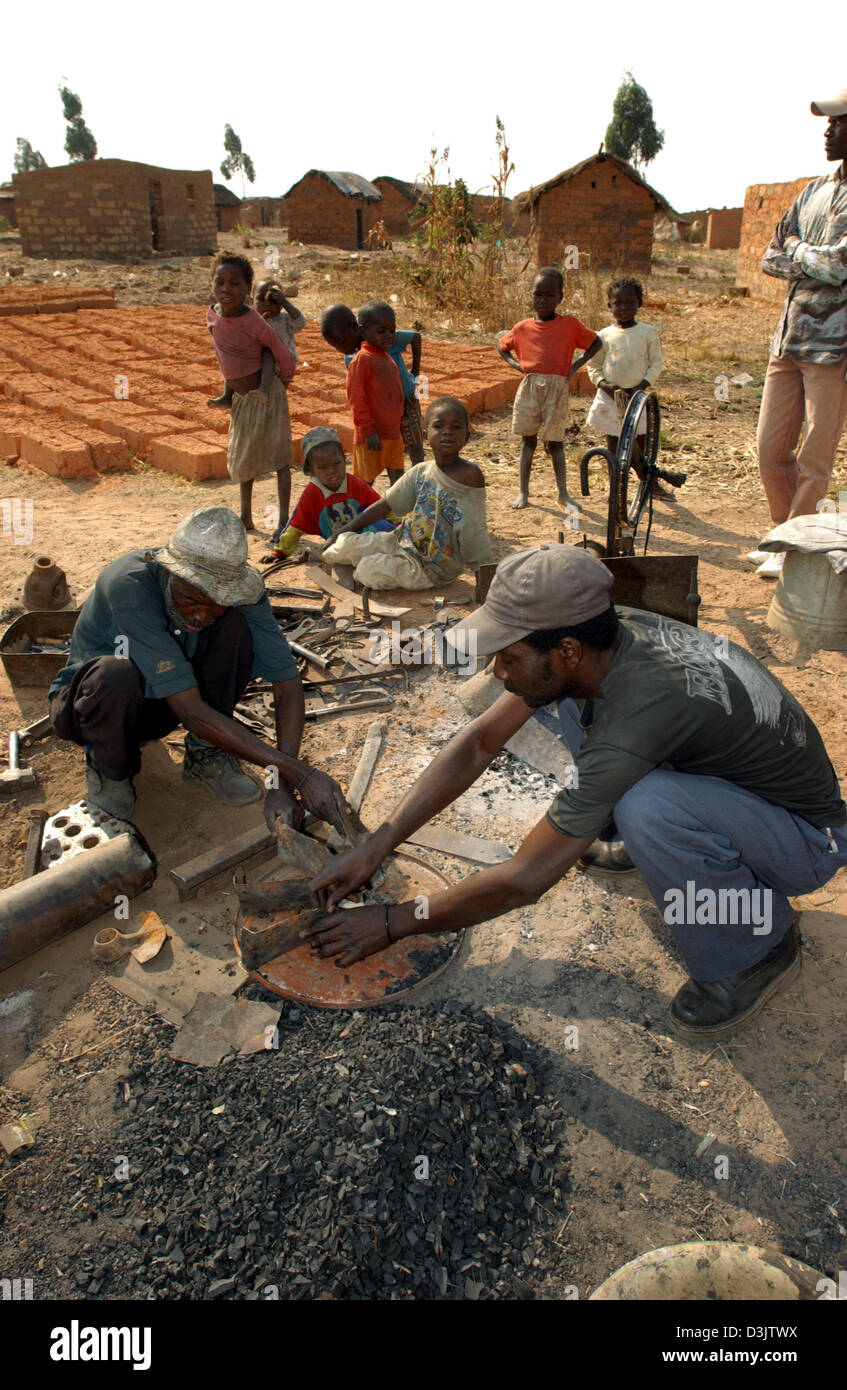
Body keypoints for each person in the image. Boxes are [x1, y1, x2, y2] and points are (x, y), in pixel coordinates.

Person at [306, 544, 847, 1042]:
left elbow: (525, 880)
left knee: (648, 805)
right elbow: (478, 744)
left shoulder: (638, 707)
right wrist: (379, 844)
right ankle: (655, 844)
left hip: (806, 839)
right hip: (739, 794)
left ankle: (755, 948)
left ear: (565, 648)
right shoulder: (603, 642)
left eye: (507, 656)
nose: (497, 669)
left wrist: (392, 921)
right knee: (565, 703)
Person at [48, 507, 351, 835]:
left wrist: (280, 783)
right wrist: (299, 774)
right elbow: (191, 712)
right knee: (116, 675)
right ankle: (110, 768)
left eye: (216, 603)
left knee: (235, 627)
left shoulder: (239, 595)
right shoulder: (129, 587)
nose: (202, 615)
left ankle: (206, 754)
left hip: (170, 700)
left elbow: (287, 683)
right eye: (191, 599)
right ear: (168, 573)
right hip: (96, 708)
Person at [752, 88, 847, 579]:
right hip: (788, 340)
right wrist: (811, 254)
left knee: (815, 455)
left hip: (834, 348)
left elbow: (840, 264)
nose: (827, 131)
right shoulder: (815, 189)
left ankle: (792, 547)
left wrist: (801, 252)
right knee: (770, 448)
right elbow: (771, 255)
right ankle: (781, 533)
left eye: (837, 123)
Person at [321, 396, 491, 591]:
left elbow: (476, 535)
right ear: (426, 435)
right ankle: (358, 562)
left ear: (467, 437)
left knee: (369, 569)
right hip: (400, 540)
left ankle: (361, 569)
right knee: (344, 545)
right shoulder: (422, 471)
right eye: (439, 426)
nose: (447, 432)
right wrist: (340, 532)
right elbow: (386, 504)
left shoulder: (470, 477)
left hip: (431, 567)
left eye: (456, 427)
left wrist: (485, 590)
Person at [498, 267, 602, 511]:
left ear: (560, 298)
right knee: (528, 440)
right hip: (530, 387)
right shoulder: (522, 327)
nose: (543, 300)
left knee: (555, 442)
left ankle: (563, 494)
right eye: (538, 294)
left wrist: (575, 366)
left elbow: (596, 342)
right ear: (531, 296)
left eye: (549, 295)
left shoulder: (570, 326)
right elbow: (502, 346)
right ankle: (523, 492)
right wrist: (518, 365)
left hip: (557, 388)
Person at [206, 255, 297, 533]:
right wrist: (229, 391)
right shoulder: (212, 315)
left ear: (247, 288)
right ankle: (245, 516)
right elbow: (225, 357)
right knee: (245, 459)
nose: (226, 289)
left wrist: (286, 378)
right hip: (242, 400)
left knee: (280, 457)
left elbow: (278, 351)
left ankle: (284, 520)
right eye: (220, 282)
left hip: (268, 398)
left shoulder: (255, 321)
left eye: (235, 283)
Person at [585, 276, 666, 495]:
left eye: (629, 302)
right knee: (614, 444)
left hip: (637, 397)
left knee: (641, 443)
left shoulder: (648, 333)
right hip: (611, 397)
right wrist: (604, 385)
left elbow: (655, 362)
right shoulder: (604, 336)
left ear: (640, 303)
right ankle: (616, 491)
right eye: (617, 303)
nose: (623, 307)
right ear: (609, 305)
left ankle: (648, 482)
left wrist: (642, 385)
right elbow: (594, 366)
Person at [321, 302, 425, 465]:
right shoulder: (351, 359)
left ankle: (418, 482)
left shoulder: (383, 336)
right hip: (383, 410)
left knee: (415, 446)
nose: (341, 347)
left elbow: (416, 337)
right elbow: (358, 394)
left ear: (356, 328)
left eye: (342, 340)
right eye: (334, 345)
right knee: (389, 449)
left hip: (406, 399)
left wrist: (416, 370)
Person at [270, 426, 396, 557]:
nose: (331, 471)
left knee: (382, 527)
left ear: (344, 459)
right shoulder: (312, 493)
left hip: (366, 535)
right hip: (339, 545)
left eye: (336, 463)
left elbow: (382, 507)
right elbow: (296, 526)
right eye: (322, 468)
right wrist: (280, 552)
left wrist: (401, 525)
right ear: (312, 470)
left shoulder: (355, 484)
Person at [208, 279, 306, 409]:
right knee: (234, 359)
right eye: (262, 300)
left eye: (274, 301)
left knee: (268, 352)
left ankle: (263, 389)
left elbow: (300, 322)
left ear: (281, 305)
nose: (267, 305)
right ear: (252, 302)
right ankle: (227, 396)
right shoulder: (252, 320)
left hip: (279, 365)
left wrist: (285, 302)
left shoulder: (284, 320)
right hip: (253, 365)